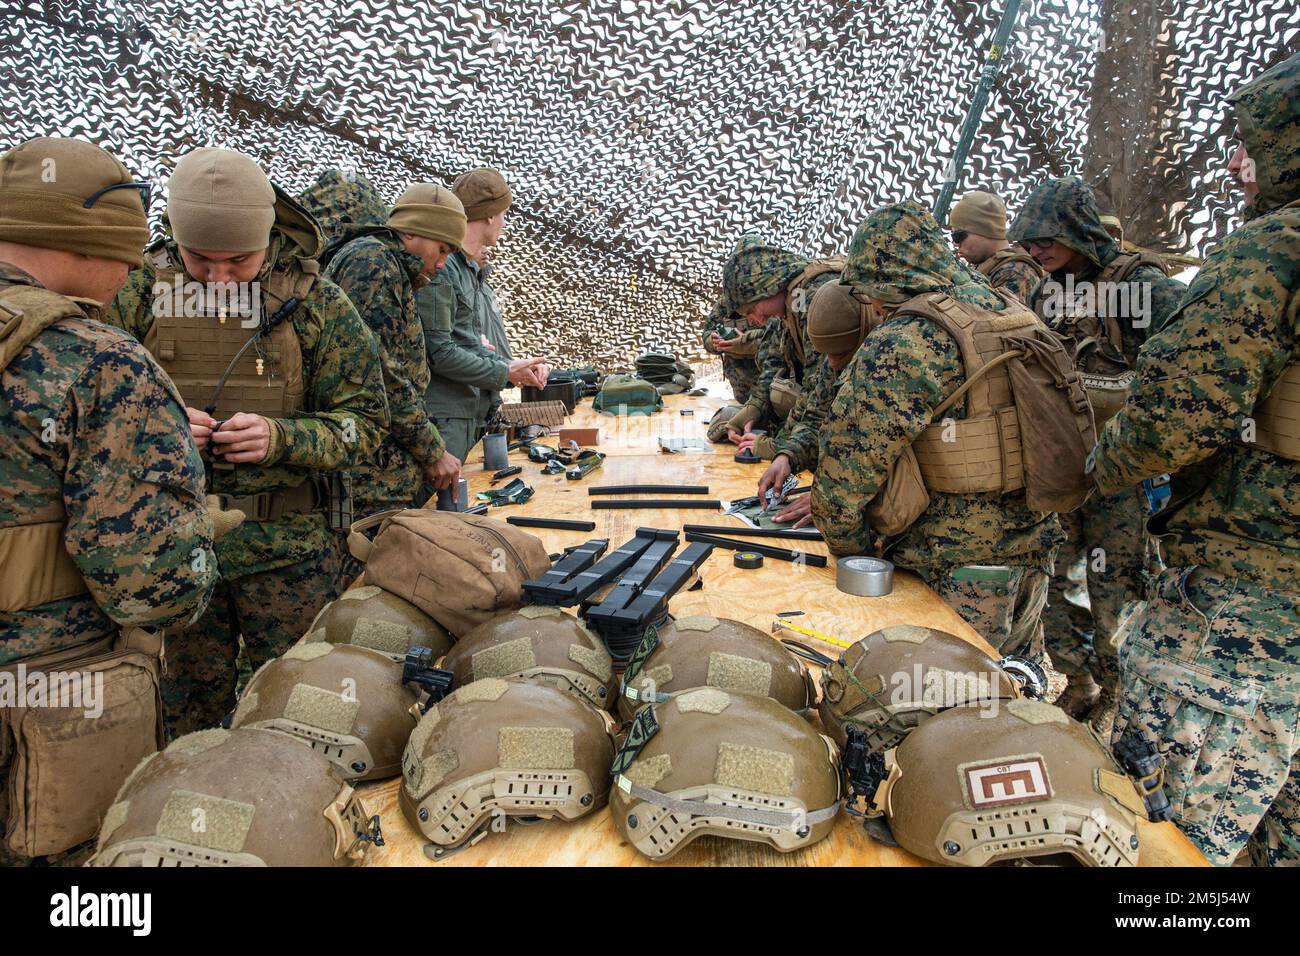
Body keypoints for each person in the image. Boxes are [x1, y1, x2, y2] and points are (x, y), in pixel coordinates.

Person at [1091, 51, 1300, 867]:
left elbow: (1177, 417)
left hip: (1244, 614)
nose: (1237, 161)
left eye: (1252, 139)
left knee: (1151, 843)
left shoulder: (1271, 252)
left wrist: (1100, 462)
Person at [107, 147, 387, 737]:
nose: (218, 278)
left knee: (298, 715)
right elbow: (82, 419)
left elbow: (367, 424)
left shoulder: (315, 303)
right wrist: (159, 424)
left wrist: (284, 437)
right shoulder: (134, 292)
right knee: (182, 722)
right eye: (199, 259)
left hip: (288, 558)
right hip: (174, 558)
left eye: (239, 259)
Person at [0, 136, 217, 864]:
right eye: (126, 247)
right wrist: (191, 527)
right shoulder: (97, 360)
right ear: (86, 241)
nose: (133, 268)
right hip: (46, 721)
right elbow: (152, 587)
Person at [811, 202, 1063, 659]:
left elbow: (843, 483)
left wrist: (860, 557)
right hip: (1034, 549)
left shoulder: (908, 339)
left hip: (948, 564)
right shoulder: (1012, 312)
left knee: (945, 708)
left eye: (870, 294)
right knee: (1010, 695)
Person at [1009, 177, 1186, 730]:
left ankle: (1118, 697)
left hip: (1124, 475)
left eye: (1044, 238)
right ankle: (1077, 679)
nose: (1034, 251)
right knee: (1053, 576)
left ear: (1075, 229)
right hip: (1061, 463)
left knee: (1119, 589)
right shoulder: (1045, 290)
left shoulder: (1145, 288)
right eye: (1028, 242)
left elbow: (1183, 378)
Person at [322, 181, 466, 561]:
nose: (442, 263)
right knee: (375, 578)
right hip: (367, 474)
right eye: (442, 249)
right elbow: (382, 372)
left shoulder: (385, 265)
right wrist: (432, 449)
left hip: (379, 466)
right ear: (412, 232)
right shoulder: (373, 264)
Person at [419, 167, 547, 463]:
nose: (504, 222)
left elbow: (470, 344)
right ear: (490, 215)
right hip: (448, 420)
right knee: (443, 508)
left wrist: (512, 366)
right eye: (503, 213)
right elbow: (439, 352)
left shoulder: (467, 271)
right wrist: (505, 371)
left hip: (473, 413)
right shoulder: (444, 269)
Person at [752, 281, 879, 528]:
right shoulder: (835, 353)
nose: (831, 363)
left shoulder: (893, 358)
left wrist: (832, 498)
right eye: (825, 355)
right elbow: (817, 414)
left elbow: (883, 453)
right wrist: (787, 456)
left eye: (838, 355)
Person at [719, 237, 843, 444]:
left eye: (752, 309)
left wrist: (783, 447)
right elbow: (774, 363)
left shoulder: (811, 295)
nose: (756, 320)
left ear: (767, 286)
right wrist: (755, 408)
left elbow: (820, 387)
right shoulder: (790, 302)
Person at [947, 189, 1044, 301]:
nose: (955, 243)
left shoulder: (1014, 273)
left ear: (983, 230)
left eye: (958, 236)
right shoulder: (991, 266)